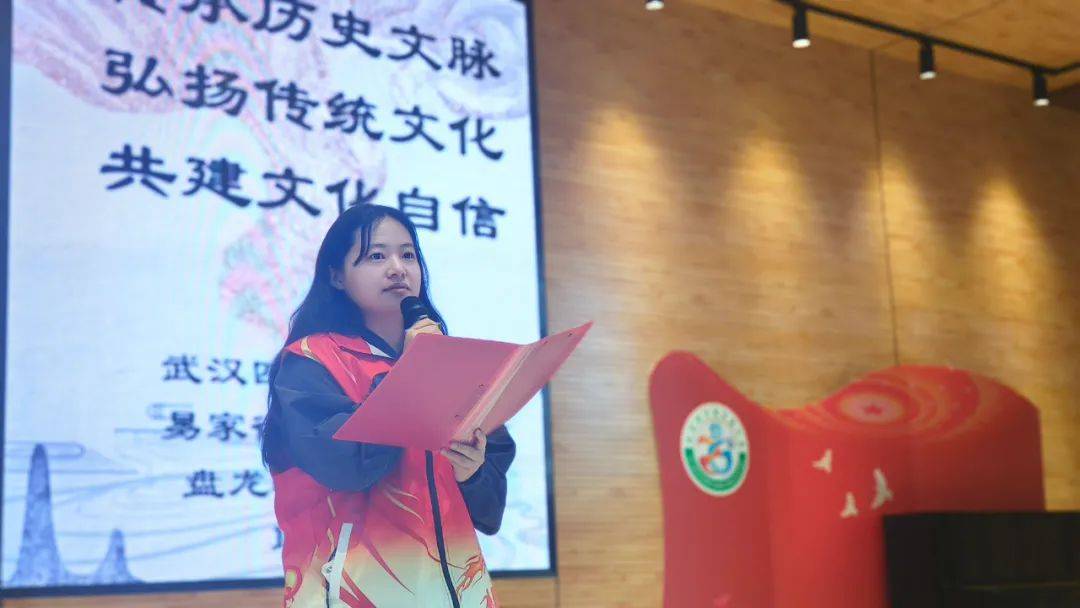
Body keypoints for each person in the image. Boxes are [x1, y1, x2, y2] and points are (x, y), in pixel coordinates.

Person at [259, 204, 515, 608]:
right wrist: (409, 376)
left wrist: (472, 473)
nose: (398, 269)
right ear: (336, 276)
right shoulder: (309, 361)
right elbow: (346, 467)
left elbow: (489, 513)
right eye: (377, 256)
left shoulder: (450, 366)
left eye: (408, 255)